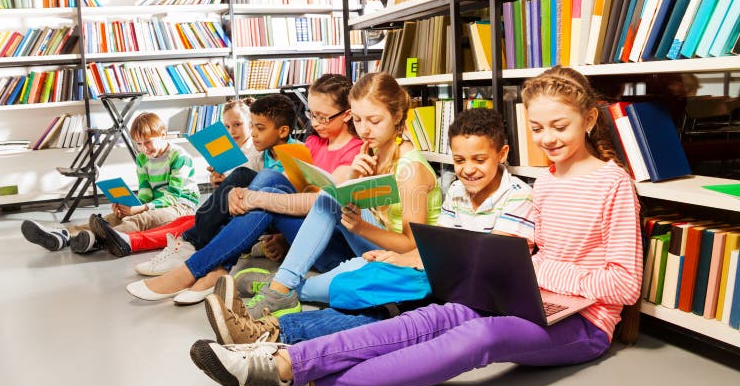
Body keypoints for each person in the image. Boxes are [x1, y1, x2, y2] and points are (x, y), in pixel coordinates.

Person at [189, 65, 644, 386]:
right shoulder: (545, 181)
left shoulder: (613, 184)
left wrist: (540, 269)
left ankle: (300, 385)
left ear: (588, 119)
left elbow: (624, 285)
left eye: (559, 126)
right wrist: (502, 261)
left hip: (583, 323)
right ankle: (281, 363)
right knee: (430, 319)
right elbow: (519, 244)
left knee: (479, 335)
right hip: (524, 297)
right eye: (537, 128)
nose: (547, 140)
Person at [205, 107, 535, 345]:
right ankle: (276, 296)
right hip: (433, 275)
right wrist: (401, 258)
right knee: (356, 282)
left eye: (479, 160)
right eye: (460, 160)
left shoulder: (518, 196)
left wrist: (406, 258)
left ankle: (275, 299)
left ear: (502, 153)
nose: (468, 170)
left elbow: (488, 263)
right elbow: (437, 247)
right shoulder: (459, 191)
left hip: (461, 290)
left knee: (355, 296)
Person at [218, 71, 443, 320]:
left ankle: (279, 285)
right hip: (375, 248)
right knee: (330, 197)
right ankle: (282, 286)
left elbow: (412, 245)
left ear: (397, 115)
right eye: (357, 120)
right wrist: (355, 174)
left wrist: (360, 228)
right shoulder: (371, 153)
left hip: (407, 260)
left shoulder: (411, 170)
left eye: (374, 120)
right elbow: (353, 202)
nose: (364, 129)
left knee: (342, 281)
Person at [125, 74, 363, 302]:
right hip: (303, 231)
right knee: (266, 177)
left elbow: (318, 204)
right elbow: (285, 182)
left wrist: (254, 197)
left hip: (332, 247)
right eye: (312, 114)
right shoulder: (313, 142)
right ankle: (215, 269)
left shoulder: (356, 153)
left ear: (347, 115)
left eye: (324, 117)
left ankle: (195, 270)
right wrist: (238, 193)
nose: (315, 123)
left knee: (263, 195)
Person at [92, 98, 260, 262]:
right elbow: (223, 192)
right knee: (118, 218)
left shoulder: (254, 150)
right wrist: (218, 182)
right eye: (227, 126)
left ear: (251, 124)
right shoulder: (229, 151)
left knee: (164, 223)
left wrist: (141, 208)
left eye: (237, 125)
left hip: (183, 204)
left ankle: (111, 239)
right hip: (218, 207)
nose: (231, 131)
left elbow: (247, 182)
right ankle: (81, 236)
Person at [20, 112, 199, 255]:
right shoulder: (143, 159)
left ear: (163, 135)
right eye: (139, 144)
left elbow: (174, 197)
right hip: (154, 205)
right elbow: (145, 191)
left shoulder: (179, 157)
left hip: (181, 207)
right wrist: (131, 205)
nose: (144, 148)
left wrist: (141, 209)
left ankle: (97, 240)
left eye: (148, 142)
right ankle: (64, 235)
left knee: (140, 219)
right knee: (112, 218)